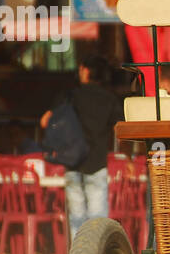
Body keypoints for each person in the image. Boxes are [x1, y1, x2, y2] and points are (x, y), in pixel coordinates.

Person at [41, 55, 122, 238]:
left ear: (85, 71)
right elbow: (121, 129)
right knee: (98, 218)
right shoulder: (109, 98)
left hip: (72, 161)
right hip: (97, 162)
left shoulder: (69, 96)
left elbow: (45, 121)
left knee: (77, 218)